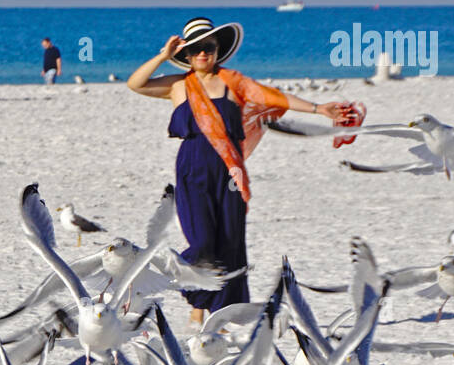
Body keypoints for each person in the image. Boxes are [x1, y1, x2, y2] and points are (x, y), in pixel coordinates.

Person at [126, 17, 353, 325]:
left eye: (208, 47)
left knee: (230, 240)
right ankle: (197, 301)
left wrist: (319, 109)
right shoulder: (178, 85)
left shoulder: (235, 84)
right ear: (187, 56)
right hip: (192, 167)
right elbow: (135, 83)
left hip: (229, 169)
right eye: (195, 50)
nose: (202, 54)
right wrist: (163, 56)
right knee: (202, 239)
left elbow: (276, 97)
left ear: (218, 49)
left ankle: (219, 314)